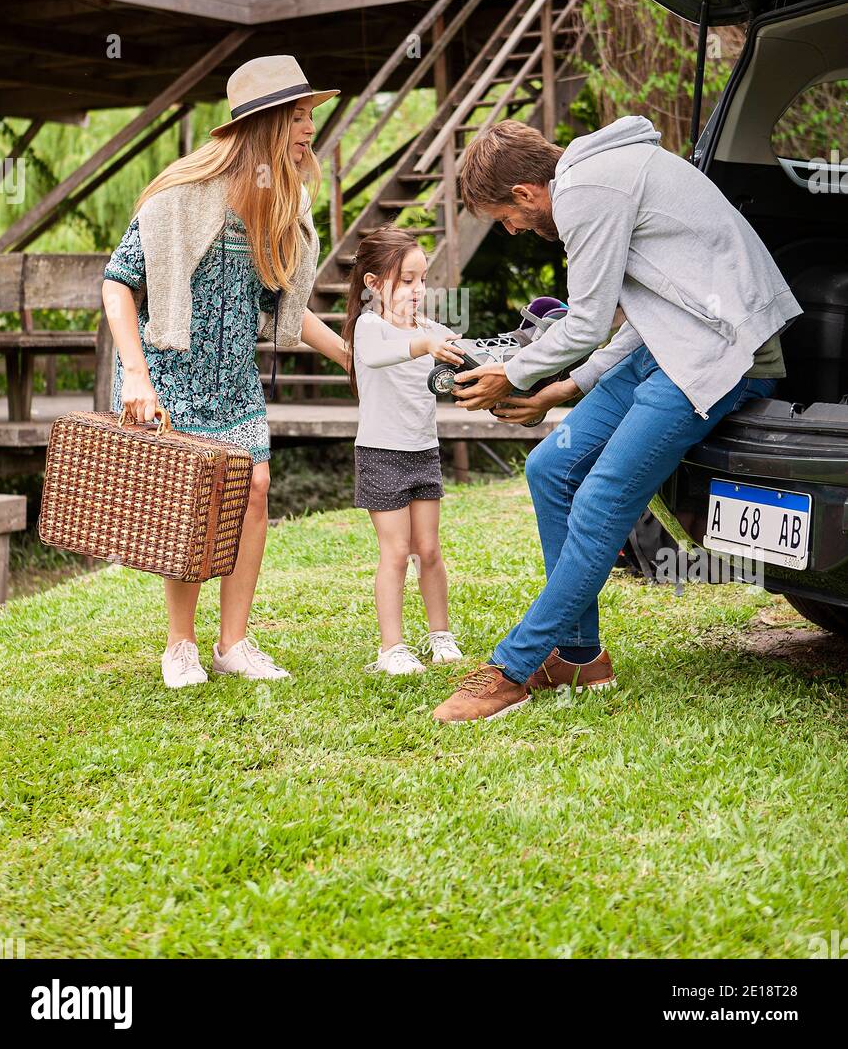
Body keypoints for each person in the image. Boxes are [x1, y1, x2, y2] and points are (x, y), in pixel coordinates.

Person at [433, 116, 801, 723]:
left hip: (726, 353)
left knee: (601, 498)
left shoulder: (587, 192)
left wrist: (514, 373)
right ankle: (579, 655)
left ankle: (513, 667)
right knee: (551, 467)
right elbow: (641, 317)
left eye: (507, 217)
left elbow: (584, 321)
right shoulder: (598, 179)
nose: (516, 229)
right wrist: (564, 387)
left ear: (525, 193)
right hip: (670, 344)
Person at [102, 55, 349, 689]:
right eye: (297, 119)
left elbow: (285, 313)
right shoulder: (182, 198)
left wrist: (348, 355)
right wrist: (135, 373)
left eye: (308, 119)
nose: (308, 131)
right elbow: (118, 284)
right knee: (193, 500)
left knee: (256, 488)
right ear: (264, 124)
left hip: (234, 379)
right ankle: (180, 645)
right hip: (170, 372)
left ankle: (232, 643)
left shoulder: (279, 207)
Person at [342, 226, 465, 675]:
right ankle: (391, 647)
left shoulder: (431, 330)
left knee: (428, 550)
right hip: (380, 453)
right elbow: (381, 354)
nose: (418, 290)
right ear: (373, 284)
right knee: (395, 552)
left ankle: (440, 635)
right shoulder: (368, 328)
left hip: (423, 451)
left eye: (422, 279)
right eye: (407, 280)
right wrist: (427, 344)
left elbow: (466, 356)